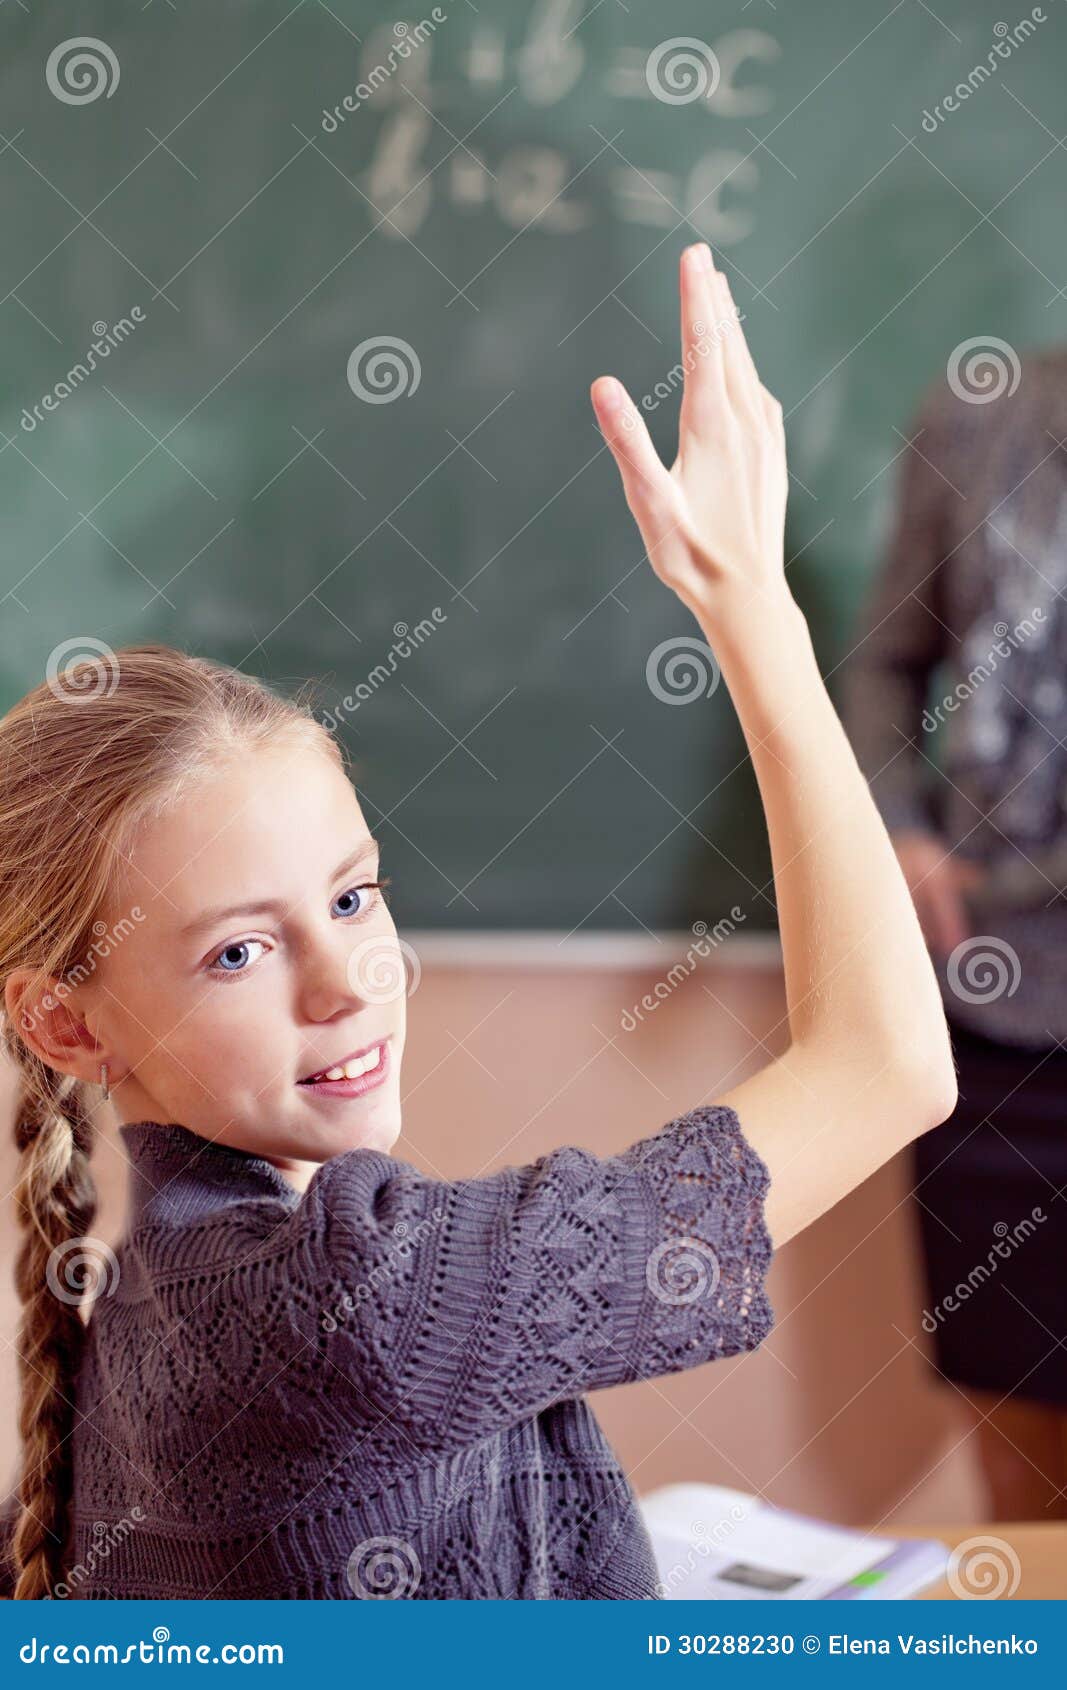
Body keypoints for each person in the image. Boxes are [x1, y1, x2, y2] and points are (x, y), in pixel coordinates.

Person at [0, 244, 956, 1601]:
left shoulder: (159, 1286)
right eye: (237, 949)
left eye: (352, 895)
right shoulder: (351, 1301)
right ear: (62, 1018)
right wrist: (751, 613)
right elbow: (887, 1066)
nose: (348, 981)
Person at [843, 346, 1067, 1520]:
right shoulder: (981, 408)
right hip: (988, 1007)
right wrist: (893, 825)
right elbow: (884, 658)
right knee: (1017, 1449)